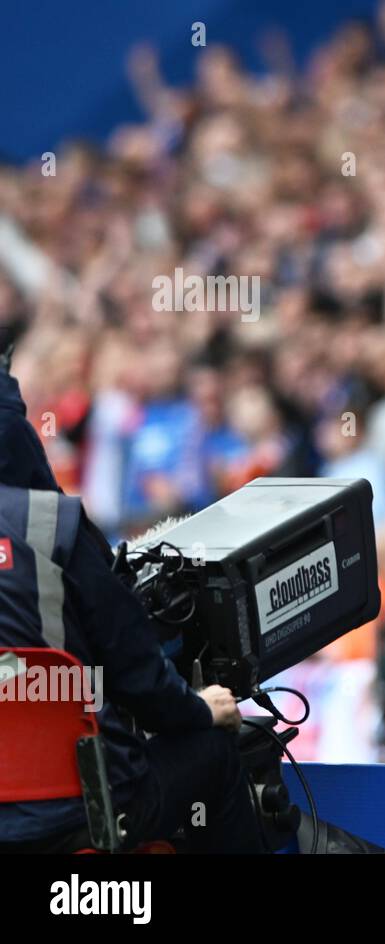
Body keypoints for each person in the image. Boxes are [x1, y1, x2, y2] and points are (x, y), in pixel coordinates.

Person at [0, 348, 263, 853]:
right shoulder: (53, 527)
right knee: (217, 751)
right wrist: (200, 710)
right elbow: (141, 680)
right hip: (85, 810)